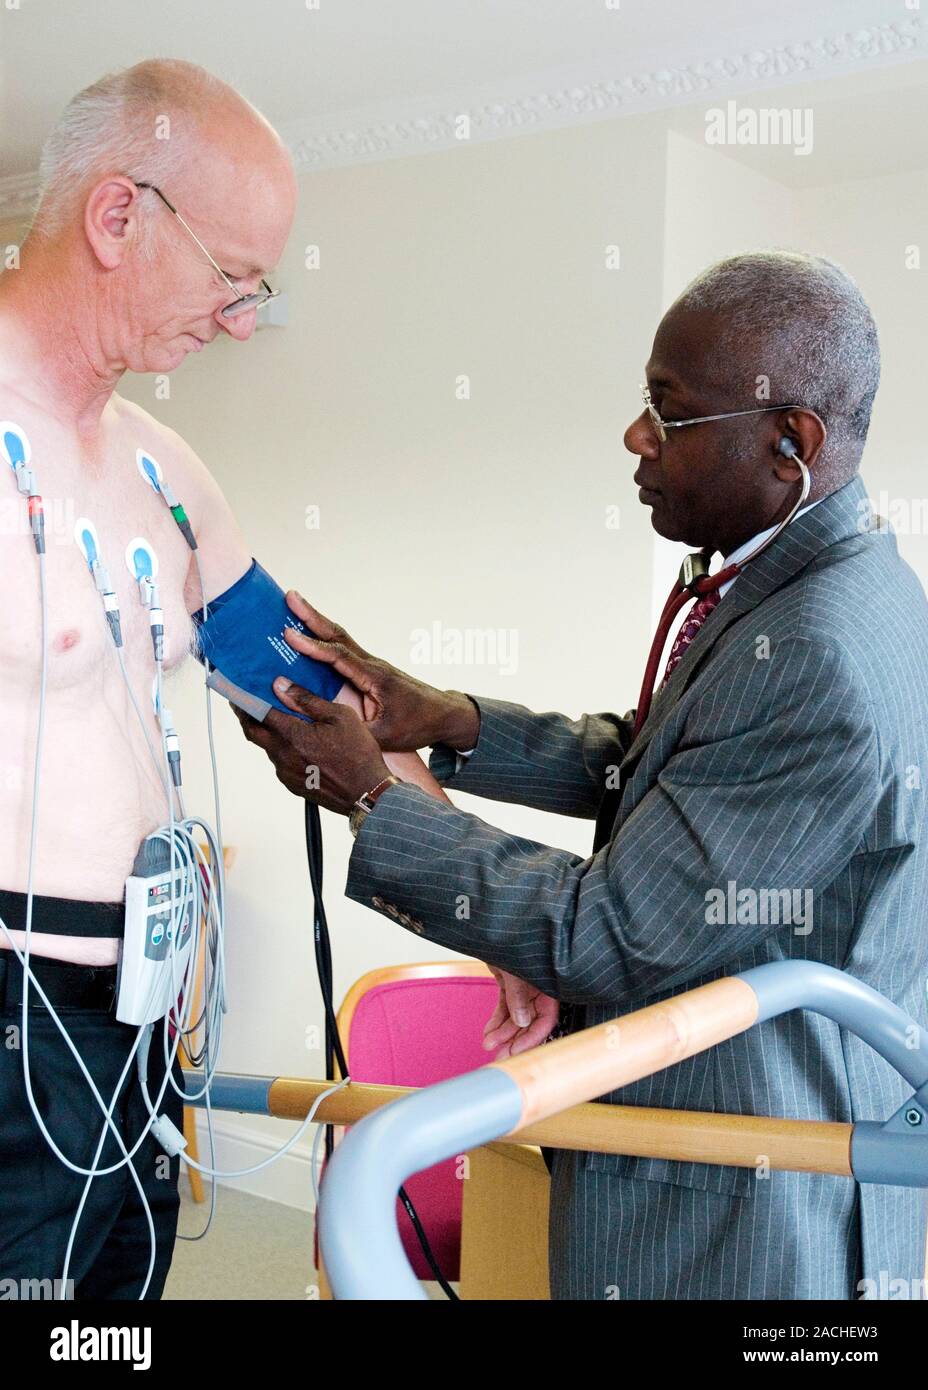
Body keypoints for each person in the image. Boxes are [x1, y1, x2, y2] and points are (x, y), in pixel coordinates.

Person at [239, 251, 928, 1300]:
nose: (635, 438)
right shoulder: (828, 579)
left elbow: (612, 933)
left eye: (670, 413)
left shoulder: (818, 646)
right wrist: (449, 720)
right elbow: (664, 760)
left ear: (789, 443)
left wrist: (370, 791)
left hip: (739, 1206)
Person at [0, 57, 528, 1299]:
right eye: (234, 278)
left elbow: (316, 692)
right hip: (17, 990)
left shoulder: (166, 472)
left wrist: (497, 923)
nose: (242, 320)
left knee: (114, 1310)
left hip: (135, 1008)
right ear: (119, 216)